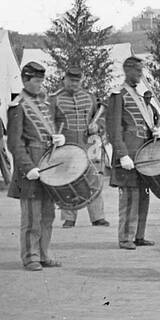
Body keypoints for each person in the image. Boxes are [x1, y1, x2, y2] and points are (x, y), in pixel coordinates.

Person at [8, 62, 62, 271]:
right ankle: (30, 256)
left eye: (42, 81)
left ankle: (43, 254)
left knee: (48, 214)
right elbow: (14, 143)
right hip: (30, 166)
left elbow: (59, 120)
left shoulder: (46, 102)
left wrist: (59, 136)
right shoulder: (17, 105)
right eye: (36, 81)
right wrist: (28, 167)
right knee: (32, 217)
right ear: (25, 80)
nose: (40, 85)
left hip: (48, 163)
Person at [106, 56, 160, 250]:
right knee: (129, 198)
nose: (140, 74)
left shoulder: (140, 97)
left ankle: (139, 235)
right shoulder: (118, 95)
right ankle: (125, 238)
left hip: (143, 155)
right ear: (127, 70)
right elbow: (114, 129)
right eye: (137, 71)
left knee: (143, 196)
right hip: (128, 155)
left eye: (141, 70)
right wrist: (122, 154)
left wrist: (154, 132)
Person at [51, 66, 109, 228]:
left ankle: (98, 216)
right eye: (71, 81)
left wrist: (97, 126)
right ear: (65, 79)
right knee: (67, 182)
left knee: (94, 179)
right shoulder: (55, 99)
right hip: (66, 147)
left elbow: (101, 120)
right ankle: (69, 217)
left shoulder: (90, 98)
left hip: (87, 146)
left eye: (77, 81)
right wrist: (55, 137)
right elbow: (48, 123)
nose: (74, 84)